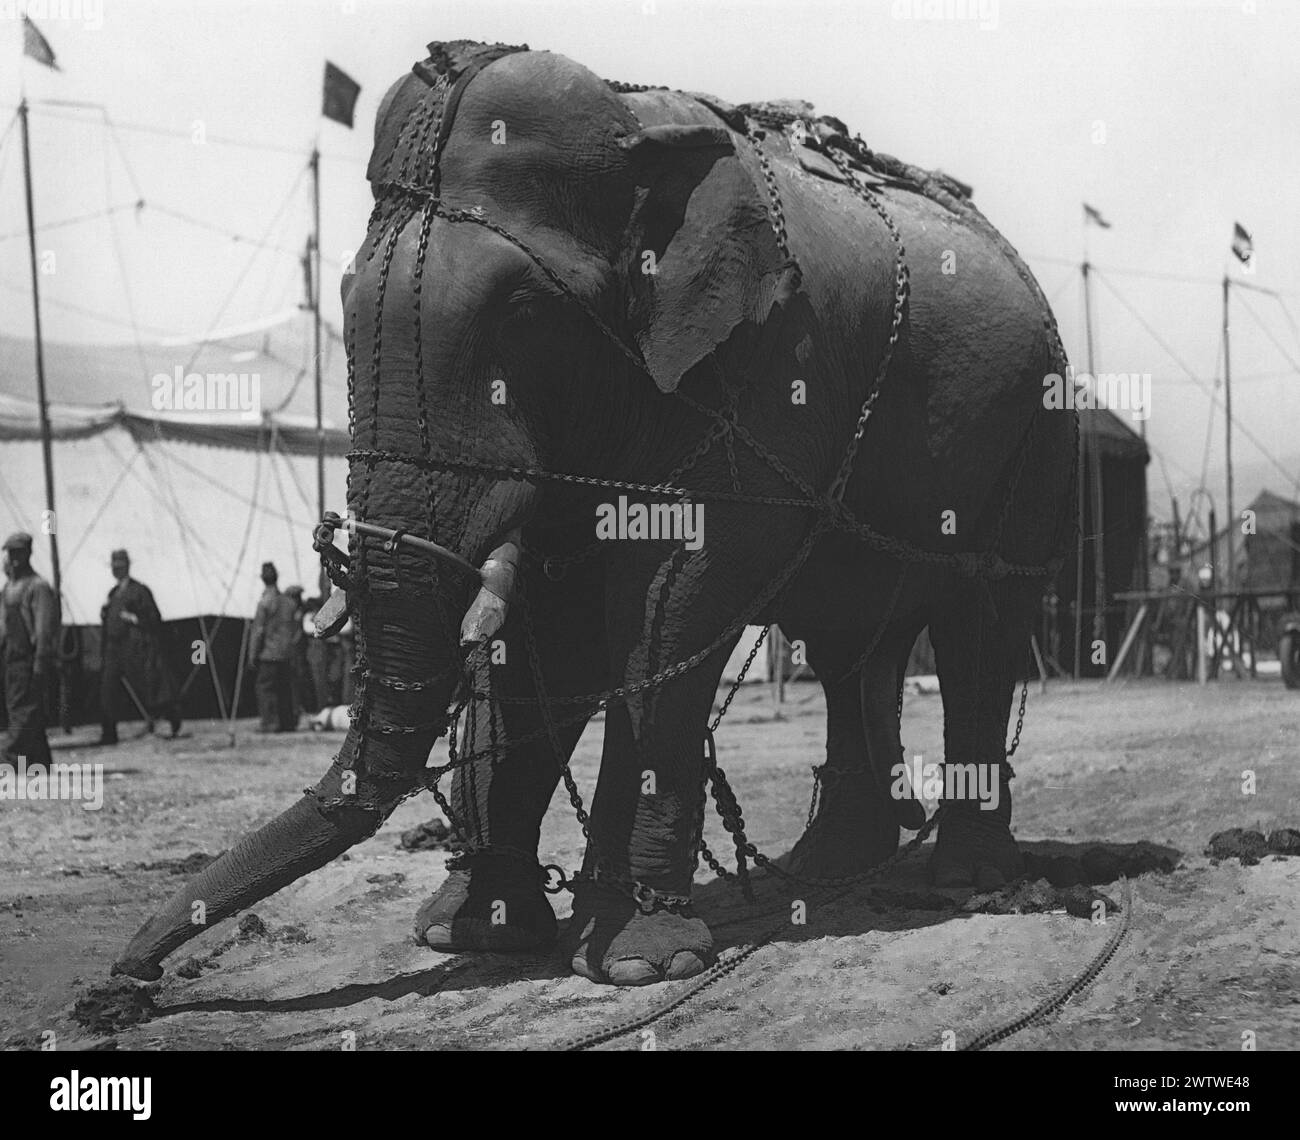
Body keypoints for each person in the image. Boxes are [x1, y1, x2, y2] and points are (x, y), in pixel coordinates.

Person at [99, 549, 183, 745]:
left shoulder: (139, 591)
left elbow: (154, 617)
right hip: (114, 648)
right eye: (114, 567)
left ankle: (171, 716)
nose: (116, 570)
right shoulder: (112, 593)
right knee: (108, 688)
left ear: (127, 567)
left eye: (120, 567)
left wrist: (134, 618)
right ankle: (109, 734)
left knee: (149, 686)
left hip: (135, 647)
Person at [0, 532, 59, 765]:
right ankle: (39, 763)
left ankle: (9, 759)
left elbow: (44, 629)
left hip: (29, 660)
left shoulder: (38, 587)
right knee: (25, 711)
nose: (14, 558)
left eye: (18, 552)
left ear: (28, 553)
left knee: (23, 711)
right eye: (10, 553)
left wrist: (40, 663)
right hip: (11, 660)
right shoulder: (8, 589)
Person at [249, 562, 299, 732]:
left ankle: (270, 723)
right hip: (286, 653)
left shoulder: (264, 603)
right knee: (284, 688)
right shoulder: (289, 602)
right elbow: (295, 629)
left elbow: (258, 631)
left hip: (269, 654)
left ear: (263, 579)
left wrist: (252, 655)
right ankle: (287, 722)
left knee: (265, 688)